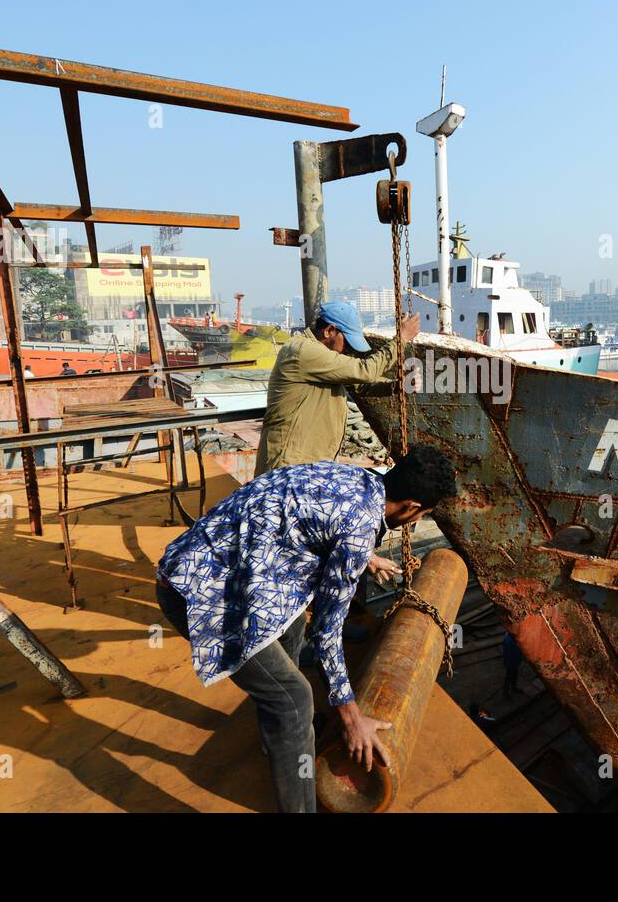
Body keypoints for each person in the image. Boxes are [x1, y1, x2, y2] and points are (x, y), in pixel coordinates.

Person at [155, 446, 458, 812]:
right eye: (419, 516)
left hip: (205, 563)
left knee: (293, 627)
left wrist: (365, 558)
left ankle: (281, 739)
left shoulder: (355, 478)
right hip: (199, 594)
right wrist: (351, 716)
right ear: (410, 506)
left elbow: (314, 521)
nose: (413, 522)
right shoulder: (358, 532)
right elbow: (327, 633)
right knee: (294, 697)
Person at [255, 300, 419, 477]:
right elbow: (366, 371)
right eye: (346, 342)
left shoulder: (321, 358)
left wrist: (396, 386)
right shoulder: (304, 351)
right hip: (289, 465)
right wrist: (400, 339)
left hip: (309, 464)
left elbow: (360, 386)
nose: (347, 349)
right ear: (329, 331)